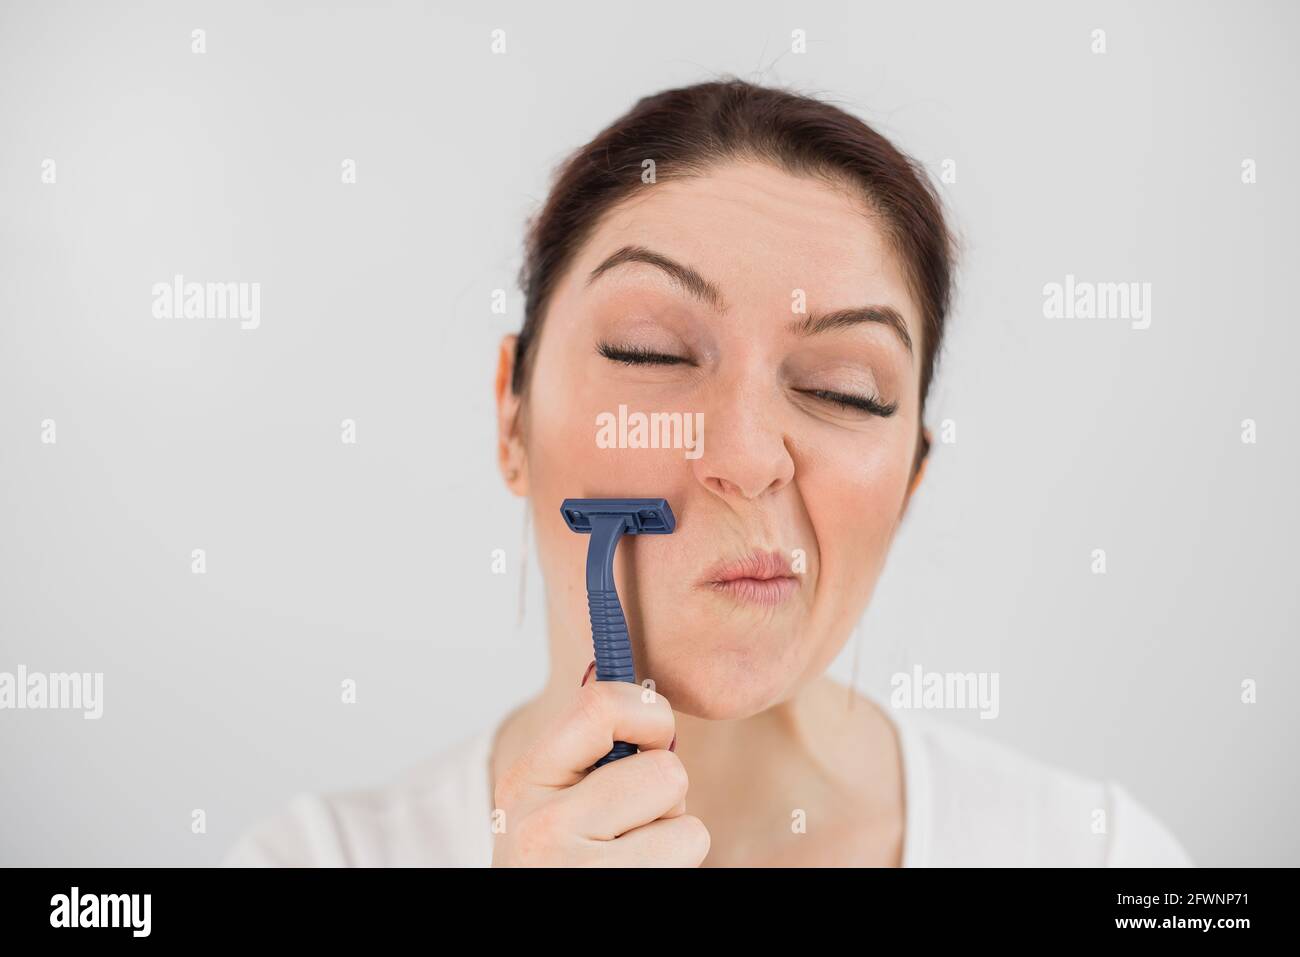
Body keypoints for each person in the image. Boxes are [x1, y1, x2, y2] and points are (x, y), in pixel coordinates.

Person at [224, 77, 1193, 867]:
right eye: (651, 354)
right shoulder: (309, 859)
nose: (742, 456)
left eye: (845, 389)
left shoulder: (1099, 858)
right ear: (511, 414)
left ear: (908, 482)